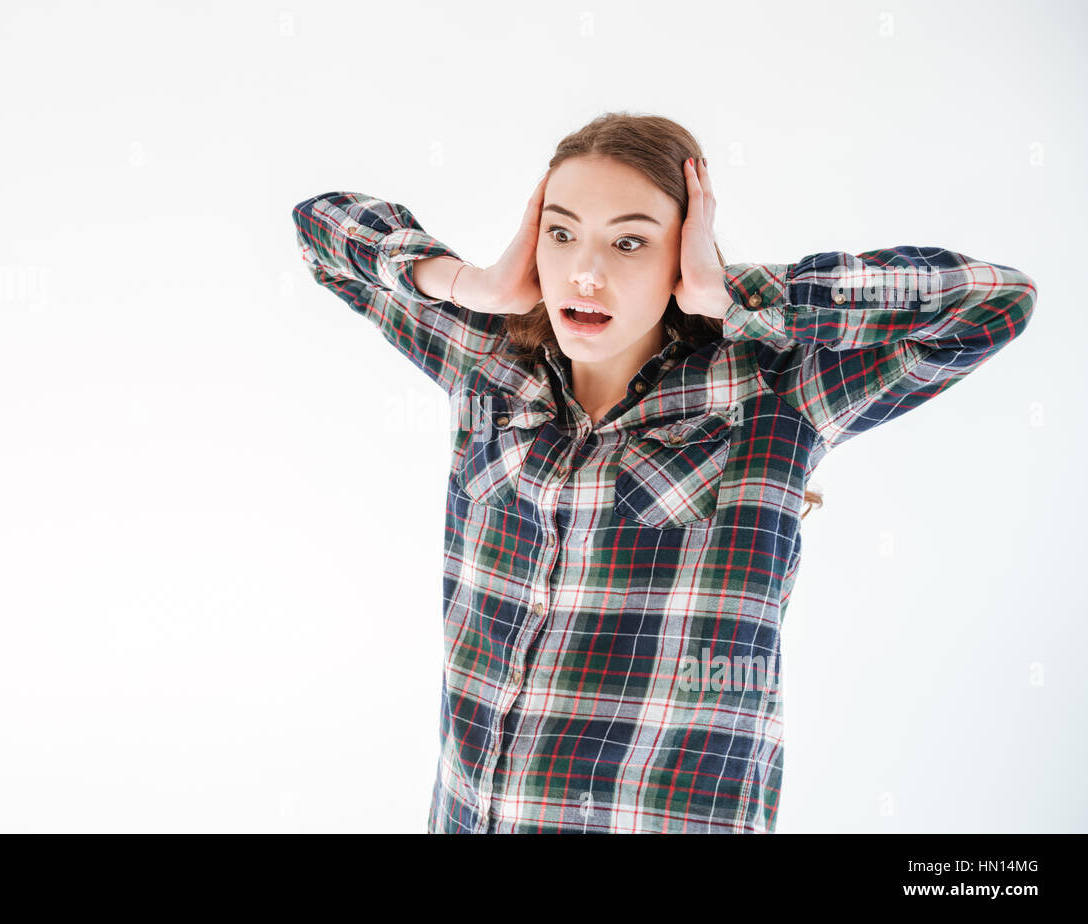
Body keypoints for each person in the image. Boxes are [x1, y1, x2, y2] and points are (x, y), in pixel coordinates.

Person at [290, 112, 1036, 834]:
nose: (584, 273)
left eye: (630, 243)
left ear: (686, 252)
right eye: (561, 233)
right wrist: (470, 283)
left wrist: (736, 294)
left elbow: (993, 301)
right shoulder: (487, 359)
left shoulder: (775, 392)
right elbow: (321, 226)